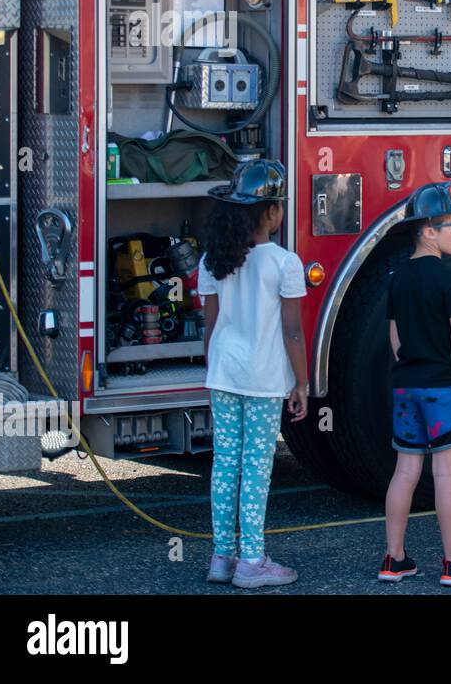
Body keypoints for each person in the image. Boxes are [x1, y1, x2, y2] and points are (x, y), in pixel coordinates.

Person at [199, 159, 308, 589]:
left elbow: (210, 325)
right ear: (271, 213)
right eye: (278, 205)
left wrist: (214, 368)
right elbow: (293, 331)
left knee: (225, 464)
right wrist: (301, 383)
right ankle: (253, 560)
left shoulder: (214, 259)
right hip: (263, 379)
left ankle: (222, 556)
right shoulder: (284, 263)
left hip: (223, 373)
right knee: (257, 467)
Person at [381, 182, 451, 588]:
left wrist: (410, 366)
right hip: (444, 390)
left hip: (406, 386)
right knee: (445, 476)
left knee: (405, 471)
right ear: (428, 230)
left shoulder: (397, 278)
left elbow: (395, 340)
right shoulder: (449, 280)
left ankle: (394, 558)